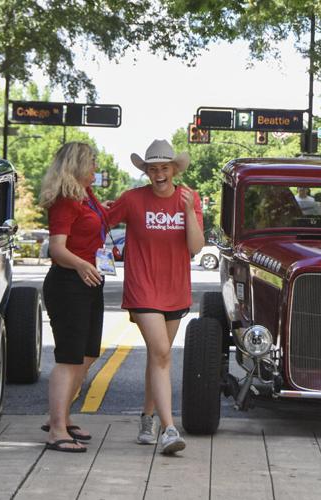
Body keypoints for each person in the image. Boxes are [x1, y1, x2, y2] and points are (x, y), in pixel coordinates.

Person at [107, 139, 204, 455]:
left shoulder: (190, 198)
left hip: (175, 289)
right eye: (152, 168)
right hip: (143, 288)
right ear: (146, 171)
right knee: (162, 352)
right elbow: (100, 222)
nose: (158, 173)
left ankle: (147, 418)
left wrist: (189, 210)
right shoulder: (133, 200)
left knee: (157, 357)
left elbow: (195, 247)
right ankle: (169, 428)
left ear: (175, 169)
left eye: (164, 167)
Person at [39, 142, 106, 452]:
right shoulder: (65, 201)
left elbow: (109, 217)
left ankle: (62, 417)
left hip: (89, 282)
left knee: (89, 352)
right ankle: (56, 430)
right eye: (91, 163)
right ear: (78, 165)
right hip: (68, 283)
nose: (95, 168)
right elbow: (57, 248)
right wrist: (81, 264)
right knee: (69, 357)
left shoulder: (86, 196)